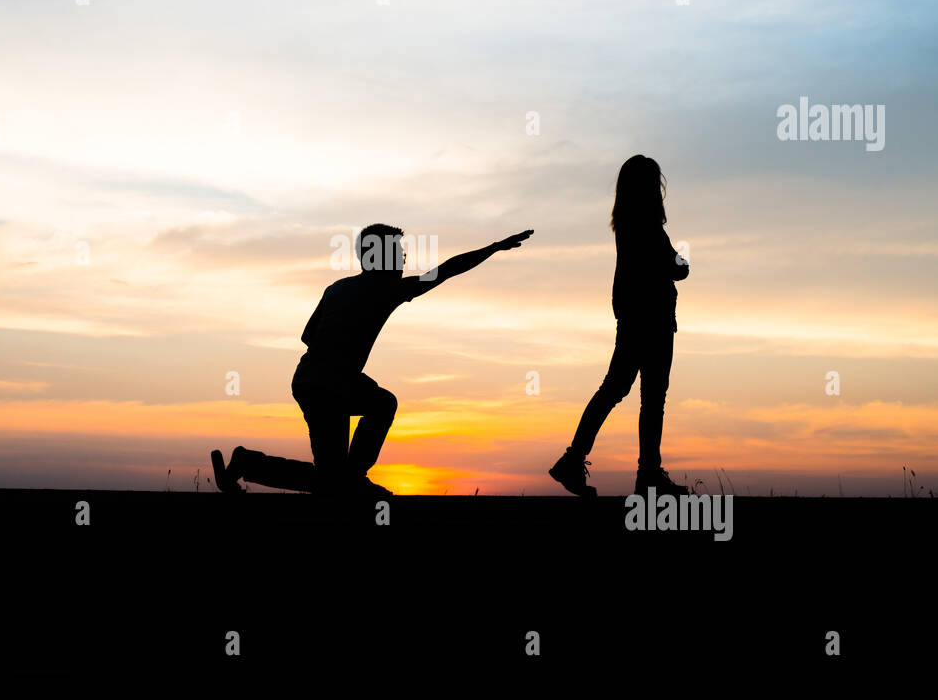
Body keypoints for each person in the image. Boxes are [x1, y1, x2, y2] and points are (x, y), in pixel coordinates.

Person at [213, 224, 533, 497]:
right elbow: (446, 271)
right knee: (381, 406)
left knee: (331, 481)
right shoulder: (388, 289)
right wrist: (494, 248)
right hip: (331, 383)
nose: (404, 258)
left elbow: (308, 336)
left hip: (309, 378)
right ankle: (352, 478)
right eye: (398, 252)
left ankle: (249, 464)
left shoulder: (337, 288)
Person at [550, 155, 690, 497]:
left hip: (632, 318)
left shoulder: (626, 224)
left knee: (614, 390)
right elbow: (678, 267)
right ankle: (648, 476)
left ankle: (577, 460)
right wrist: (680, 259)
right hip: (652, 321)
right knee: (650, 398)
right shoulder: (650, 228)